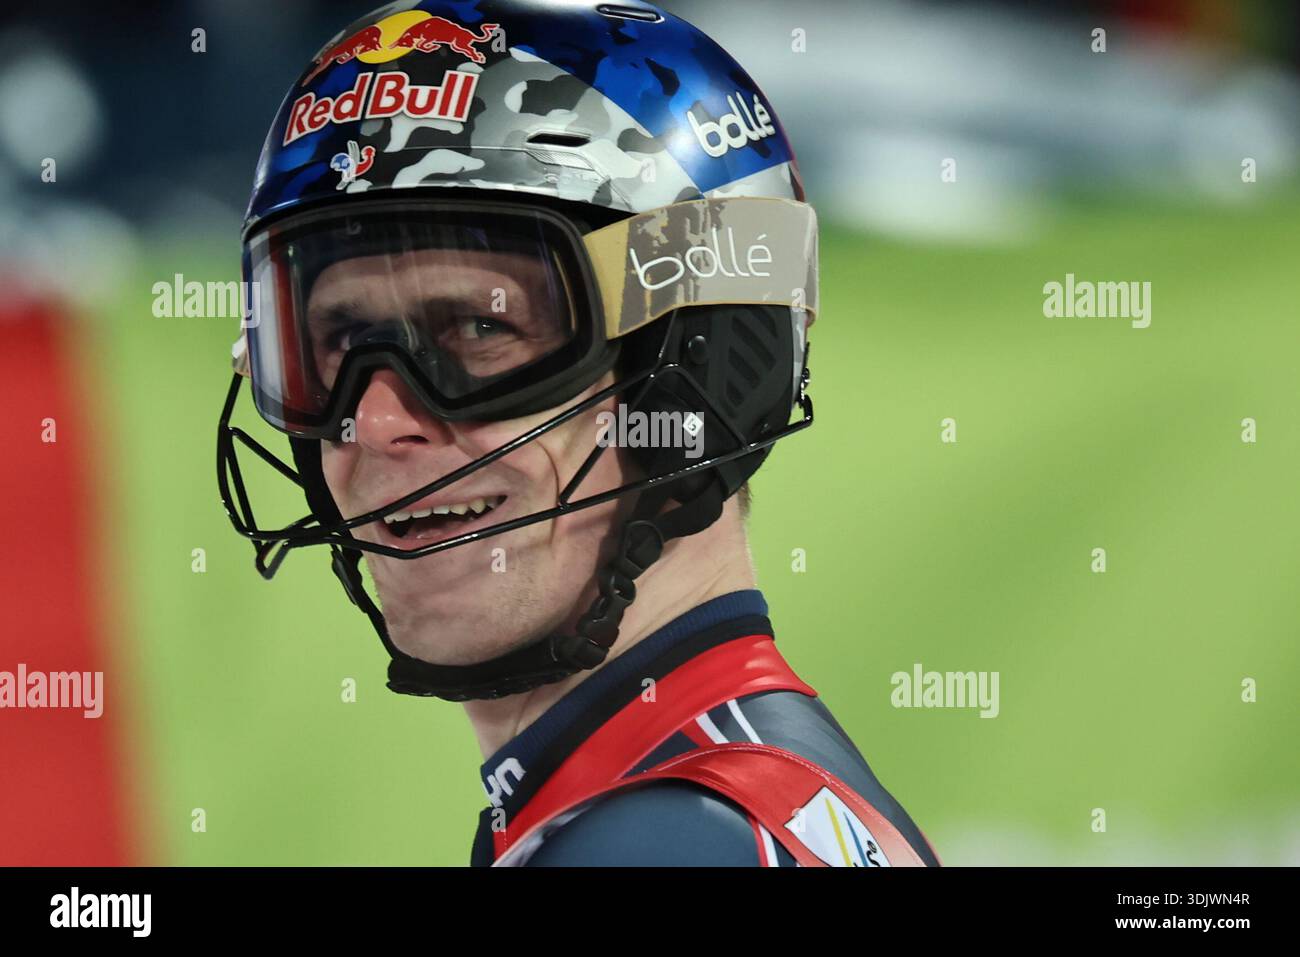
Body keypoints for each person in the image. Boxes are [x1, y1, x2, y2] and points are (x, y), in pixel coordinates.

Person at [217, 0, 939, 867]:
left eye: (480, 329)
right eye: (335, 341)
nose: (376, 419)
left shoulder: (667, 842)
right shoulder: (748, 799)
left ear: (703, 367)